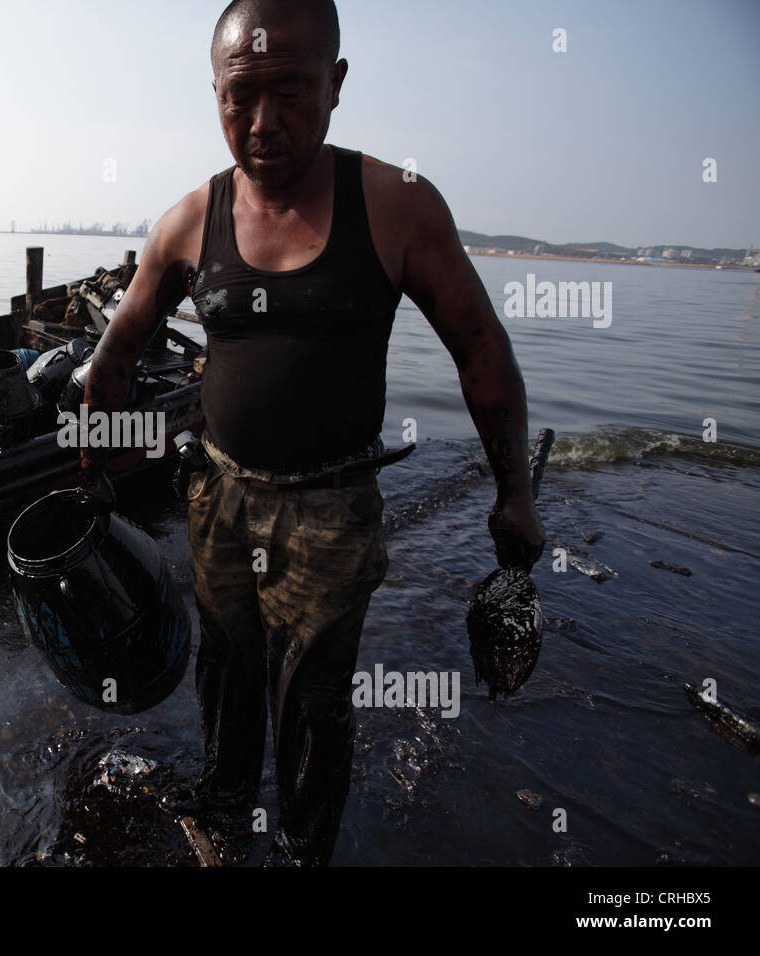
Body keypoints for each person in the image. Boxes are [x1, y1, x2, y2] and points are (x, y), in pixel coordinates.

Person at [79, 0, 544, 865]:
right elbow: (118, 349)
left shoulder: (397, 206)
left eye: (290, 90)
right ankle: (222, 813)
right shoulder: (187, 220)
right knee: (223, 668)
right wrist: (93, 454)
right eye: (239, 95)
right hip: (217, 494)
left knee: (315, 696)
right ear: (214, 93)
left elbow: (481, 351)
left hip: (332, 506)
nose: (262, 122)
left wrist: (513, 491)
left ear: (334, 85)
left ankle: (304, 844)